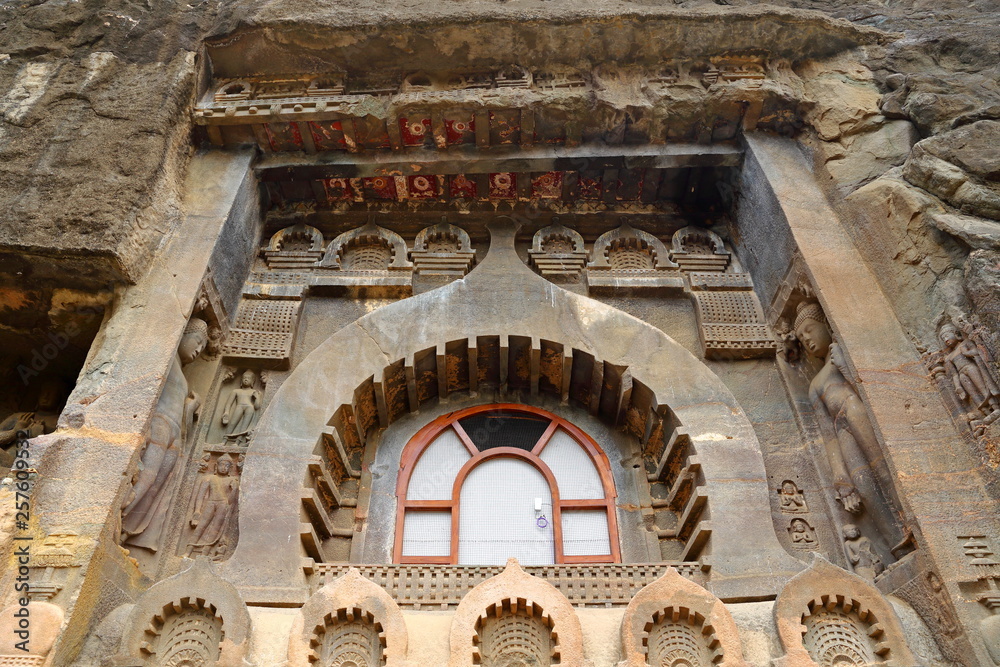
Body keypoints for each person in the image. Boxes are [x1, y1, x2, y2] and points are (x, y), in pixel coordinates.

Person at [121, 317, 207, 552]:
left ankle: (124, 533)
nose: (198, 350)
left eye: (203, 347)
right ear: (183, 334)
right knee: (145, 477)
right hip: (159, 424)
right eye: (197, 341)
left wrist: (191, 407)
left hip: (175, 435)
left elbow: (182, 418)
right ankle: (115, 518)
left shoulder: (183, 377)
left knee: (157, 486)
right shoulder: (166, 361)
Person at [0, 380, 63, 469]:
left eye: (52, 394)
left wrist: (39, 436)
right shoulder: (20, 417)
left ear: (60, 399)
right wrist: (15, 432)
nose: (46, 396)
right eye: (43, 393)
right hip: (6, 458)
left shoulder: (59, 422)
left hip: (28, 464)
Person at [221, 370, 261, 442]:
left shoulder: (253, 392)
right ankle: (224, 441)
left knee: (244, 426)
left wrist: (257, 398)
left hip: (250, 408)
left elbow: (257, 407)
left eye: (248, 378)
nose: (246, 379)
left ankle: (237, 442)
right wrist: (226, 412)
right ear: (241, 380)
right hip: (239, 406)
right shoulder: (236, 391)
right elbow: (228, 404)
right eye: (244, 378)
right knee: (232, 423)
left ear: (252, 381)